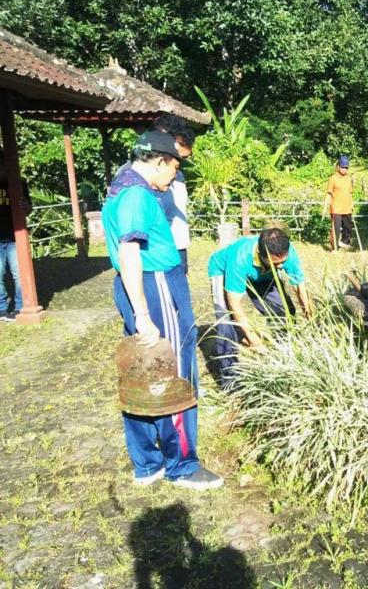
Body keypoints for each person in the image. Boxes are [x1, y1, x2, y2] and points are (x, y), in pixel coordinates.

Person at [102, 131, 222, 490]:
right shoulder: (138, 194)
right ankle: (181, 464)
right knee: (175, 373)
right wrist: (142, 312)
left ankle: (147, 463)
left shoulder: (120, 184)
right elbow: (129, 252)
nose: (174, 175)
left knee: (141, 372)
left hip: (140, 284)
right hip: (156, 285)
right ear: (158, 161)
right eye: (174, 166)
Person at [208, 226, 312, 382]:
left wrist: (310, 317)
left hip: (262, 275)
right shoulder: (240, 258)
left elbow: (300, 290)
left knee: (284, 311)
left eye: (283, 262)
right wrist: (253, 340)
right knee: (226, 324)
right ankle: (230, 378)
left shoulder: (287, 253)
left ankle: (284, 353)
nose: (281, 267)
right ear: (261, 255)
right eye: (276, 264)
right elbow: (234, 303)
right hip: (222, 271)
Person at [152, 115, 195, 274]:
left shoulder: (178, 175)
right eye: (179, 158)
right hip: (157, 254)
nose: (179, 164)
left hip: (178, 248)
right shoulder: (136, 179)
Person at [0, 151, 31, 322]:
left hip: (14, 236)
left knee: (19, 274)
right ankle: (2, 308)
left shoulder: (19, 184)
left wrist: (24, 206)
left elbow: (28, 209)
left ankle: (20, 306)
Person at [323, 156, 354, 250]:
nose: (344, 169)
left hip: (347, 207)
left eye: (346, 167)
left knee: (348, 227)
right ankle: (334, 247)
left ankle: (345, 242)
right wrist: (325, 207)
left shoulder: (349, 179)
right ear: (338, 166)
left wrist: (352, 204)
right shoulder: (333, 178)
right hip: (336, 208)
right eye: (343, 167)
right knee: (335, 228)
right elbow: (329, 193)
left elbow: (350, 193)